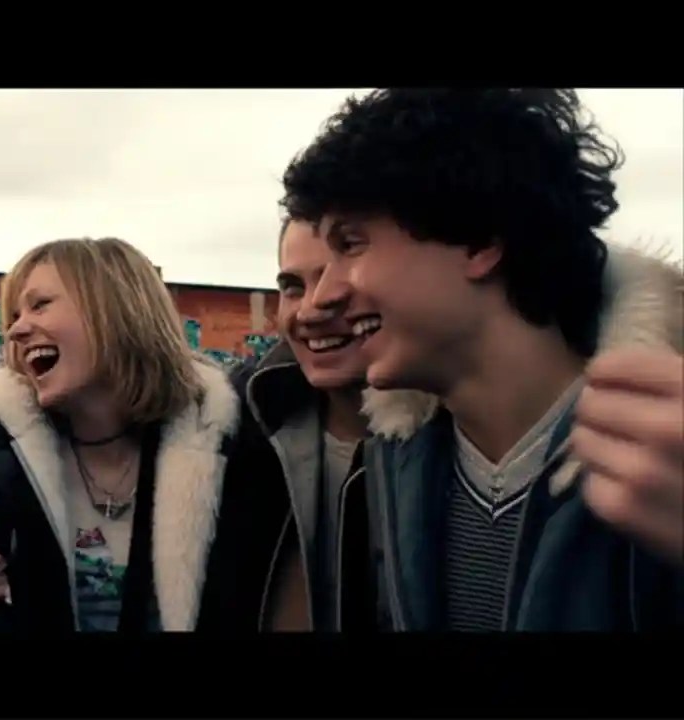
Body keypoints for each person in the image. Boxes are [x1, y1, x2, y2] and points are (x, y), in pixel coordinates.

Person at [280, 87, 684, 631]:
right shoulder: (390, 470)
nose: (321, 298)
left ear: (477, 242)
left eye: (350, 245)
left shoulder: (662, 456)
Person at [0, 237, 261, 632]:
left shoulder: (224, 442)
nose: (17, 329)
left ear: (117, 311)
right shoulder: (9, 445)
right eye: (14, 316)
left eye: (40, 304)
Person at [226, 217, 434, 631]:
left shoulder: (460, 443)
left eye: (337, 277)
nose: (311, 308)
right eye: (293, 287)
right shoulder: (236, 432)